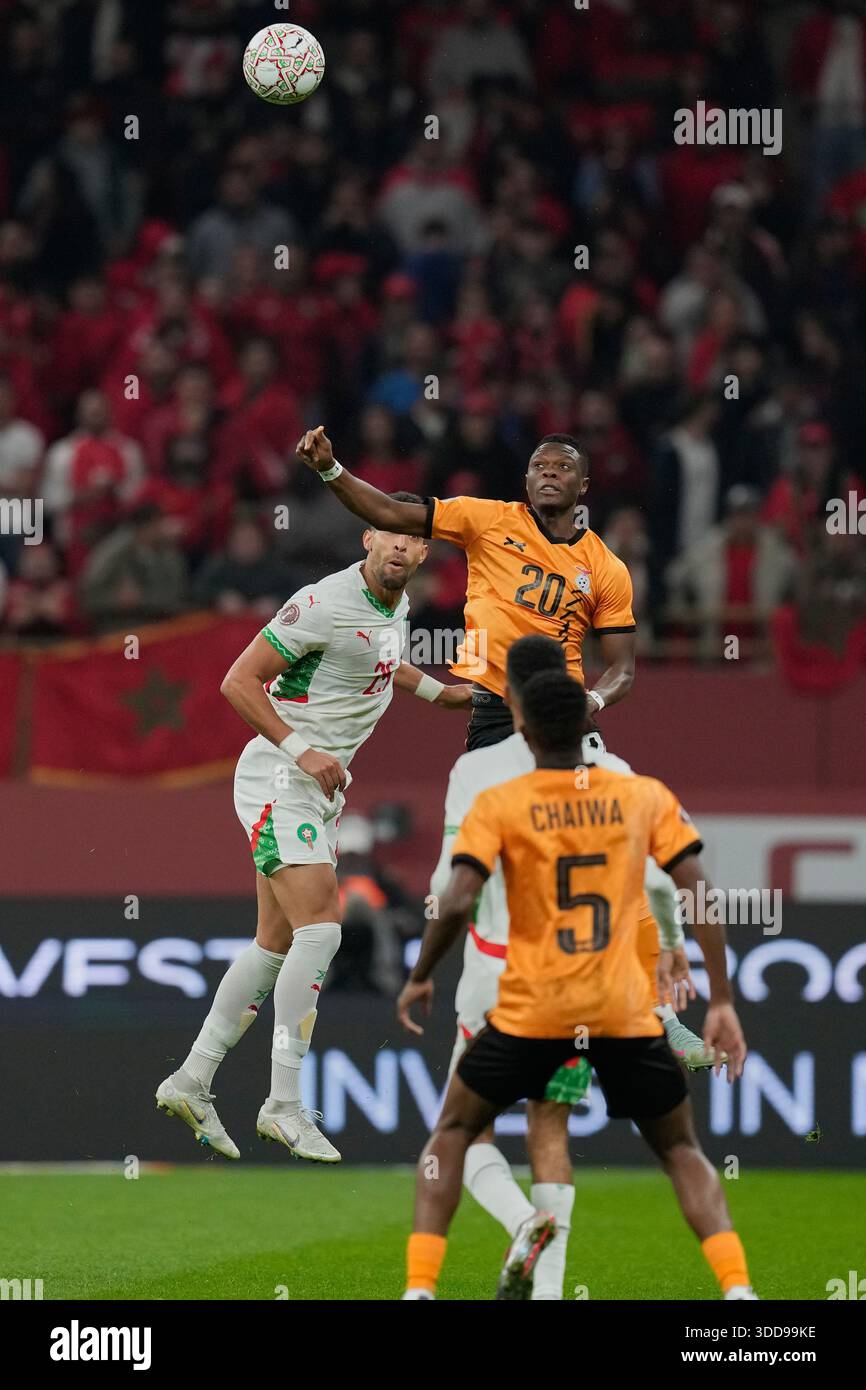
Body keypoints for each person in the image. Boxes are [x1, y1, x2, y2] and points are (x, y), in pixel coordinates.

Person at [397, 669, 752, 1302]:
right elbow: (692, 886)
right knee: (678, 1148)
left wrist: (420, 975)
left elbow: (454, 900)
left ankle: (421, 1290)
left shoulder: (499, 801)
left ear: (525, 729)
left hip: (529, 1004)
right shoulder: (640, 793)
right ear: (589, 719)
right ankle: (737, 1293)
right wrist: (717, 994)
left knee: (452, 1132)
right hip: (620, 1006)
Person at [155, 494, 471, 1162]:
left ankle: (192, 1079)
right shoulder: (323, 601)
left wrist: (438, 692)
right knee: (323, 928)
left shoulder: (396, 606)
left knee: (274, 944)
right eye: (387, 534)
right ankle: (284, 1102)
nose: (398, 547)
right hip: (280, 776)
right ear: (366, 539)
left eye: (412, 540)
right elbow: (237, 682)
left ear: (424, 553)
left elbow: (381, 663)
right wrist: (304, 751)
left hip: (315, 787)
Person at [294, 425, 636, 750]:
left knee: (577, 810)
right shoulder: (485, 520)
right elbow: (388, 512)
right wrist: (330, 469)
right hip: (493, 712)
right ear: (527, 479)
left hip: (561, 710)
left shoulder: (605, 566)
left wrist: (592, 701)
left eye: (563, 466)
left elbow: (622, 668)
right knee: (487, 812)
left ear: (584, 484)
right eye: (539, 466)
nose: (549, 472)